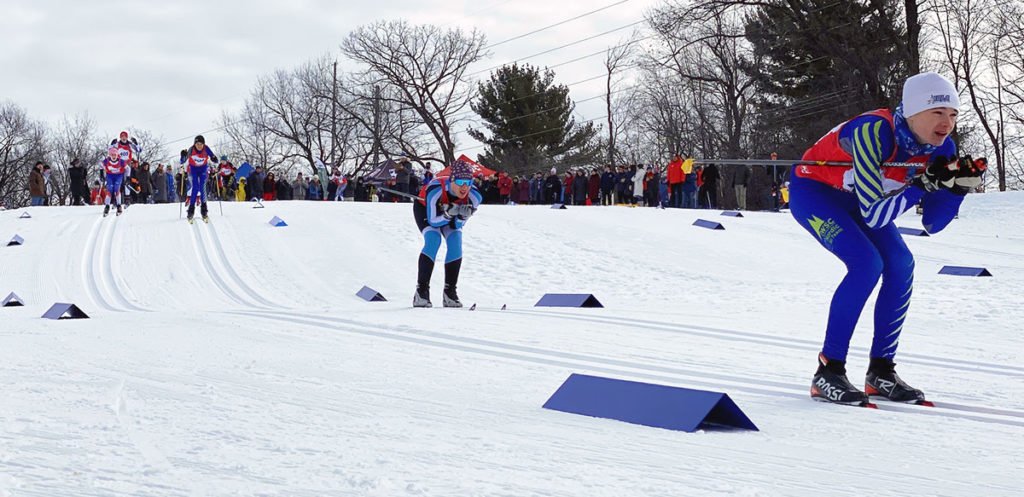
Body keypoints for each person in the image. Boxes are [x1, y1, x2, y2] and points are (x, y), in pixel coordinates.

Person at [789, 72, 985, 406]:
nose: (947, 123)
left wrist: (957, 189)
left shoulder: (943, 147)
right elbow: (875, 216)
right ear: (912, 113)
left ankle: (881, 371)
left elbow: (934, 223)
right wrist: (923, 185)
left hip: (859, 199)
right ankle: (828, 371)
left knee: (901, 264)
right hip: (816, 194)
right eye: (937, 113)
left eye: (953, 114)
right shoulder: (872, 132)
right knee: (866, 263)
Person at [412, 160, 482, 308]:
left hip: (449, 214)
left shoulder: (475, 196)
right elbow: (433, 221)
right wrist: (448, 215)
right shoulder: (436, 189)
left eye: (468, 182)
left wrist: (461, 217)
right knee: (434, 240)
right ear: (452, 180)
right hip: (425, 209)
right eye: (460, 181)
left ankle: (450, 292)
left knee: (456, 241)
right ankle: (421, 291)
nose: (464, 187)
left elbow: (458, 226)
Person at [179, 135, 219, 223]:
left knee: (202, 187)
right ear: (194, 144)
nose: (199, 146)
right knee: (195, 187)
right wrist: (183, 155)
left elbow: (215, 159)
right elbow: (182, 161)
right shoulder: (191, 149)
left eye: (201, 144)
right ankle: (191, 210)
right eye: (197, 144)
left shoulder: (206, 149)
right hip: (193, 169)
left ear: (203, 144)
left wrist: (214, 159)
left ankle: (204, 210)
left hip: (203, 169)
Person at [100, 147, 128, 216]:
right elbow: (100, 165)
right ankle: (107, 206)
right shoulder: (107, 161)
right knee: (110, 189)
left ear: (117, 155)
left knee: (117, 188)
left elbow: (128, 168)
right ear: (109, 155)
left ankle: (119, 206)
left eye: (115, 155)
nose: (114, 156)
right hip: (110, 175)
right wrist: (101, 173)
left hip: (119, 175)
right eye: (112, 155)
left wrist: (127, 177)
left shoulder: (120, 161)